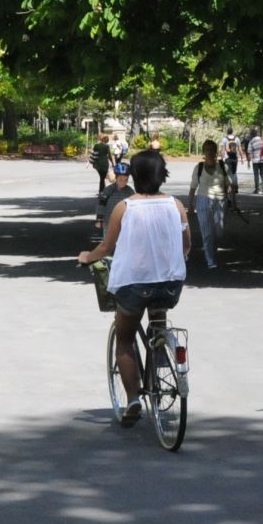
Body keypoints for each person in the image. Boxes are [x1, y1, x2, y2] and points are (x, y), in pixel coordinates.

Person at [77, 150, 189, 425]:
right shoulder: (176, 205)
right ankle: (162, 353)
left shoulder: (125, 207)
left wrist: (86, 257)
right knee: (157, 321)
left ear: (134, 177)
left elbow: (106, 247)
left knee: (125, 338)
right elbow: (187, 244)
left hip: (134, 285)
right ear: (162, 176)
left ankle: (134, 400)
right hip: (171, 283)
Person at [186, 139, 236, 270]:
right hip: (202, 200)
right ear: (204, 152)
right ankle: (210, 259)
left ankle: (212, 250)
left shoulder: (222, 166)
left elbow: (229, 185)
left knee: (219, 231)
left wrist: (233, 201)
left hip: (220, 200)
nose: (209, 152)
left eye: (212, 150)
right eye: (207, 150)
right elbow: (192, 188)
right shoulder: (199, 167)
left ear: (216, 152)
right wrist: (190, 205)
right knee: (207, 233)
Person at [94, 160, 130, 237]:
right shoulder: (108, 190)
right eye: (120, 179)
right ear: (116, 178)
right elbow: (101, 204)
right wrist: (99, 219)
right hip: (109, 222)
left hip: (124, 223)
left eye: (126, 180)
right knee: (108, 243)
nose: (123, 182)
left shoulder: (129, 191)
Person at [248, 128, 263, 193]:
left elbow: (249, 152)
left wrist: (248, 162)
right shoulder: (262, 139)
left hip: (255, 160)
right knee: (262, 174)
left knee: (256, 175)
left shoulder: (251, 141)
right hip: (262, 159)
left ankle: (257, 189)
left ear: (251, 135)